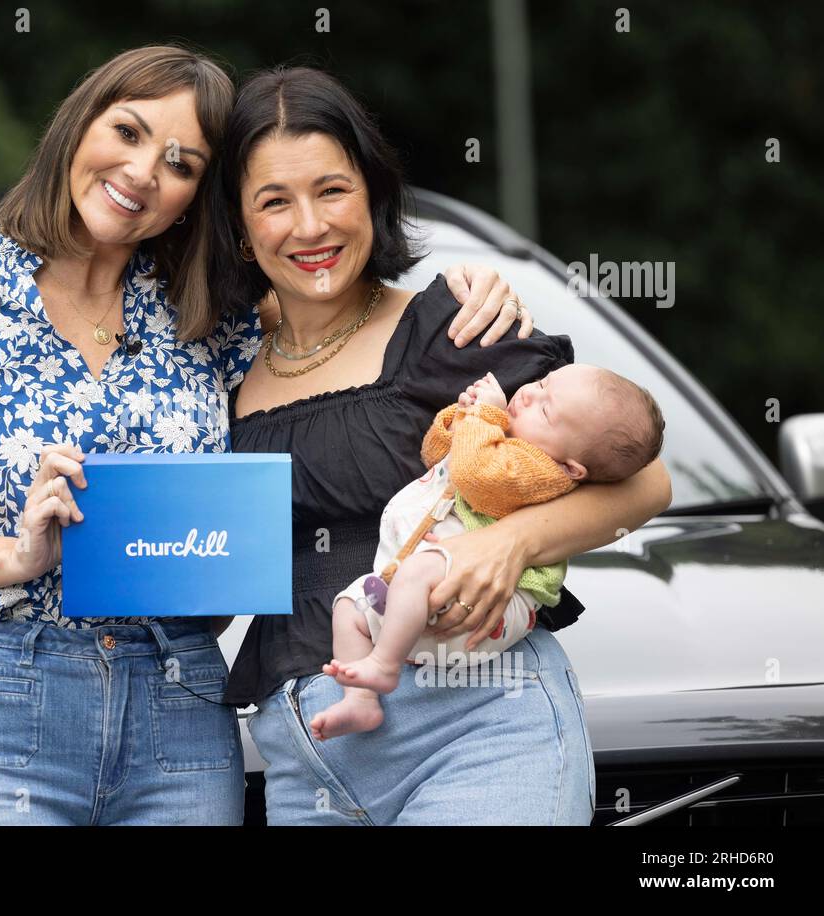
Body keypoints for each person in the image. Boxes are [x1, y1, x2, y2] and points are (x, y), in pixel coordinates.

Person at [0, 45, 529, 825]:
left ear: (195, 201)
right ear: (76, 127)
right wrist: (13, 557)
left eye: (180, 164)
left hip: (182, 701)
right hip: (0, 699)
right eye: (127, 132)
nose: (141, 173)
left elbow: (342, 305)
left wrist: (461, 296)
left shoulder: (212, 319)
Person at [210, 66, 673, 824]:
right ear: (238, 223)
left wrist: (513, 541)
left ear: (373, 194)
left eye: (332, 190)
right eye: (273, 202)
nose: (310, 226)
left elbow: (647, 484)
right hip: (300, 749)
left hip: (475, 722)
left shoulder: (453, 328)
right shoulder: (218, 371)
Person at [311, 365, 666, 739]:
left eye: (546, 410)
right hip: (420, 595)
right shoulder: (502, 438)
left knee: (419, 571)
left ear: (573, 467)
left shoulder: (541, 469)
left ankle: (384, 664)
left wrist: (486, 415)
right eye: (542, 384)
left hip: (479, 608)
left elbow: (479, 477)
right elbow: (436, 454)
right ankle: (359, 700)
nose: (529, 394)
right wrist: (461, 417)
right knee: (348, 607)